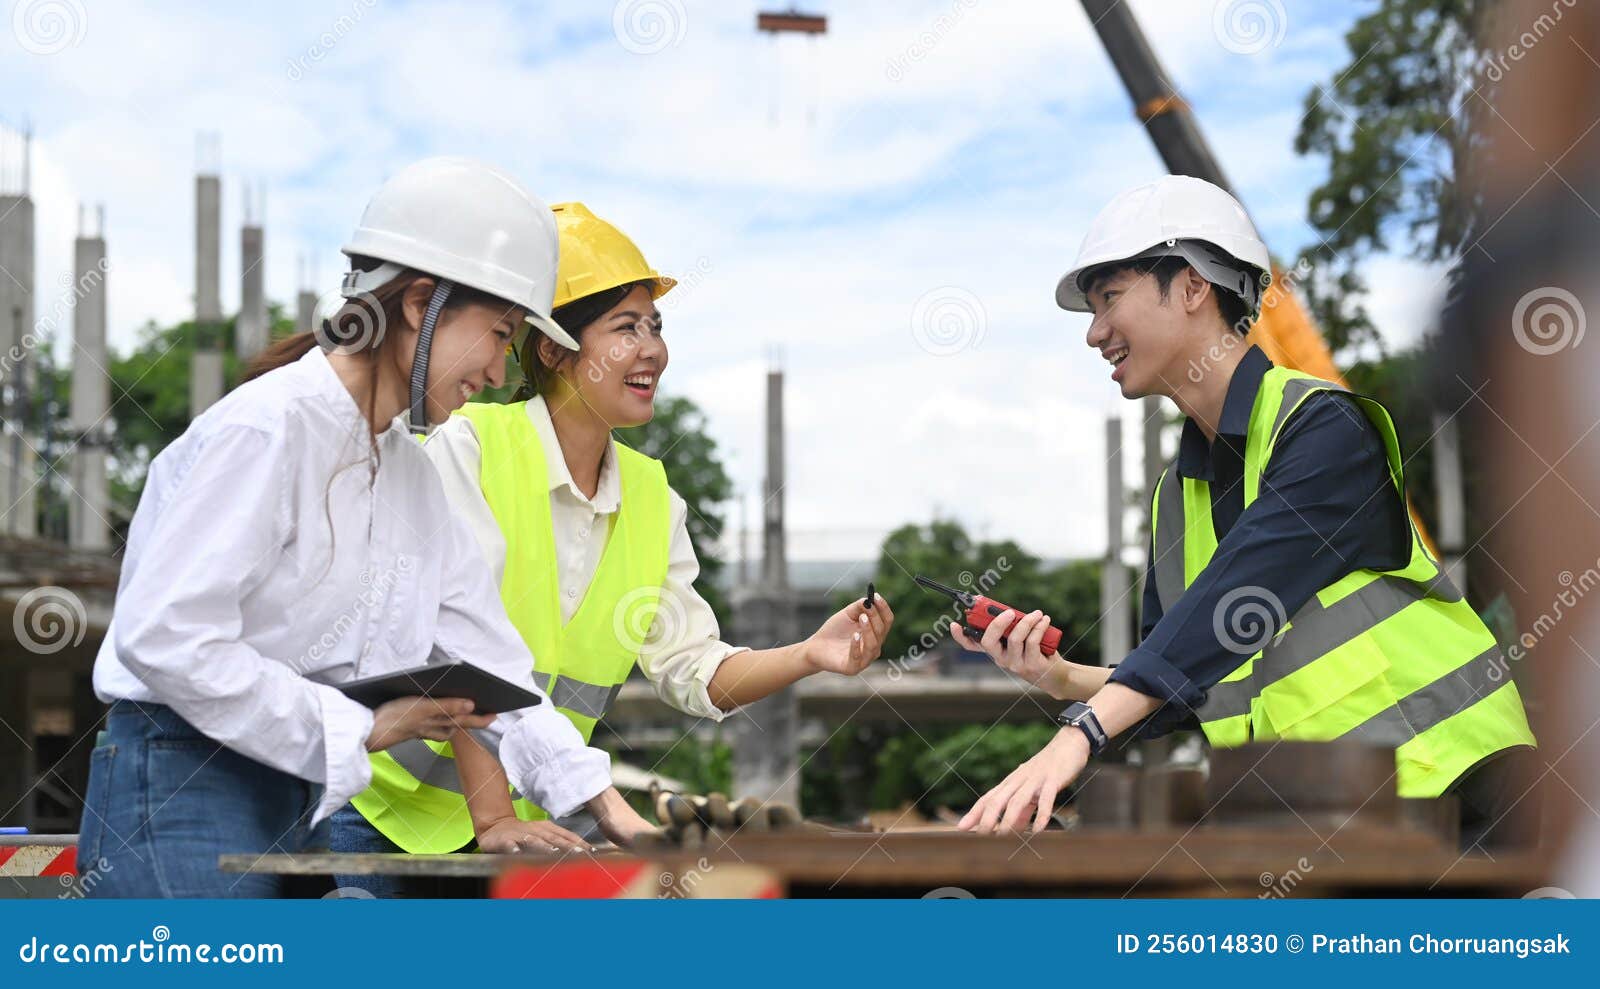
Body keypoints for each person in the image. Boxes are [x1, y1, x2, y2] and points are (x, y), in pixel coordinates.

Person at [77, 158, 650, 898]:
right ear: (420, 303)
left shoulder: (409, 475)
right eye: (500, 333)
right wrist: (362, 729)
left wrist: (606, 805)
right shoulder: (268, 429)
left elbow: (493, 665)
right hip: (182, 779)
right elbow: (166, 637)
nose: (504, 371)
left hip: (297, 785)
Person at [955, 175, 1536, 838]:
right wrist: (1063, 677)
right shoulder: (1179, 495)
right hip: (1332, 823)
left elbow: (1236, 595)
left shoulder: (1323, 430)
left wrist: (1078, 734)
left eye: (1110, 297)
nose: (1095, 333)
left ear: (1194, 286)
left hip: (1463, 797)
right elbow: (1179, 675)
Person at [332, 203, 893, 886]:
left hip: (535, 822)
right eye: (625, 327)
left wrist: (808, 654)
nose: (652, 348)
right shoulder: (469, 449)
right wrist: (494, 818)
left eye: (655, 326)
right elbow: (457, 650)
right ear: (553, 348)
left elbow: (692, 668)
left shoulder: (655, 501)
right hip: (385, 814)